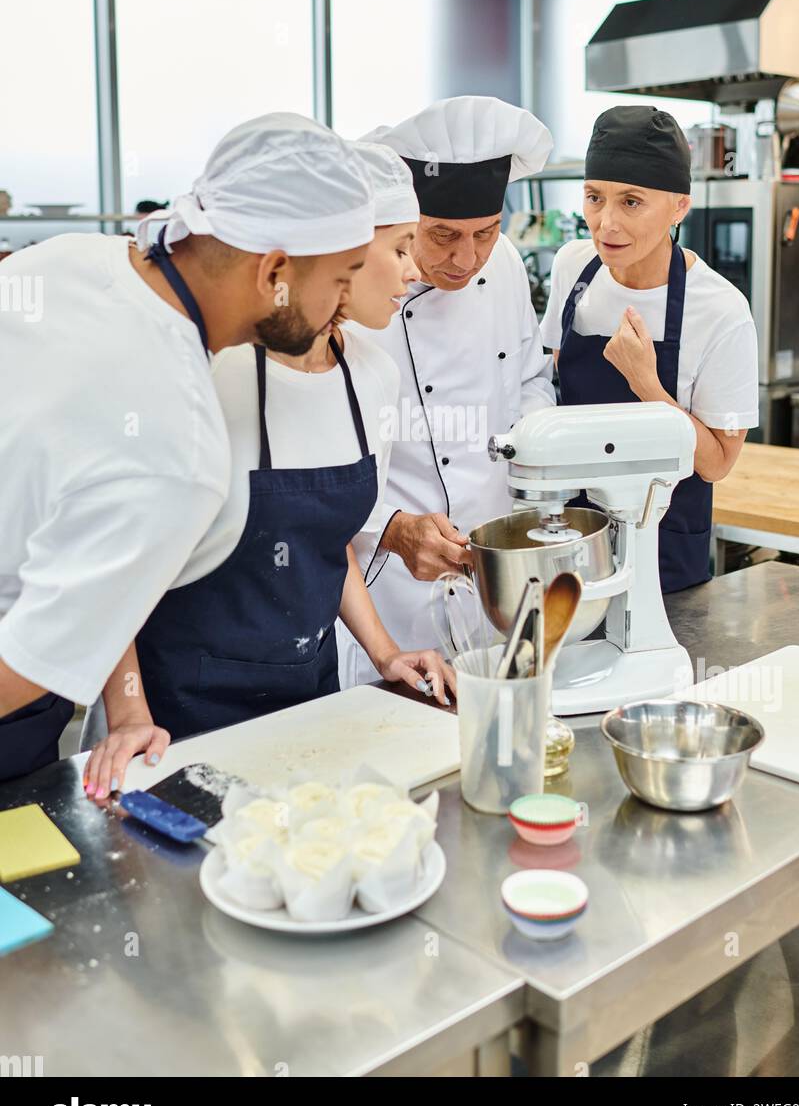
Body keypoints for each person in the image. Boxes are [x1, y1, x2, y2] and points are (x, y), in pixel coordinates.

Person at [0, 112, 375, 781]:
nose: (343, 304)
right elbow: (25, 666)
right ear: (276, 272)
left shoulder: (66, 258)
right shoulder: (181, 451)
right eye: (343, 278)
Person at [83, 143, 454, 797]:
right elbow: (114, 557)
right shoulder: (214, 365)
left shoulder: (373, 377)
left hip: (308, 703)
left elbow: (323, 538)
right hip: (178, 715)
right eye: (398, 247)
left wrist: (385, 652)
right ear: (337, 251)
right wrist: (129, 712)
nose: (414, 270)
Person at [338, 96, 556, 686]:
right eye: (441, 237)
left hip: (493, 569)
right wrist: (391, 526)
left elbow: (532, 377)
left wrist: (525, 449)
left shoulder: (504, 265)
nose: (467, 259)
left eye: (485, 233)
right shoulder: (355, 285)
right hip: (386, 586)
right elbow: (318, 469)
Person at [540, 104, 759, 593]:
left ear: (680, 206)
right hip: (572, 538)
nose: (606, 224)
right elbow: (555, 382)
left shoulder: (720, 309)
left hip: (662, 547)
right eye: (594, 198)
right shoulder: (573, 267)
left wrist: (646, 383)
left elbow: (717, 463)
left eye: (632, 202)